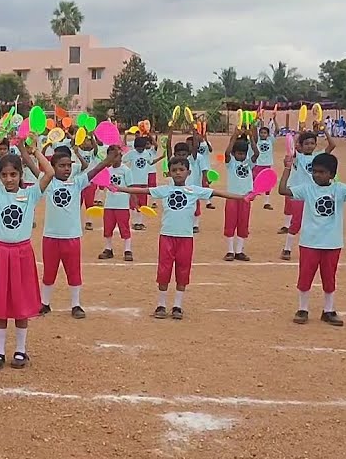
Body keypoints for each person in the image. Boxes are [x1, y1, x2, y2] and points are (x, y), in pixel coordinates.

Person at [112, 153, 251, 319]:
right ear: (169, 173)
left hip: (186, 238)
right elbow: (142, 190)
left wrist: (243, 197)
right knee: (164, 270)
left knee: (183, 270)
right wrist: (119, 188)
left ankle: (177, 306)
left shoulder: (195, 191)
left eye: (181, 169)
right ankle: (161, 305)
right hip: (167, 237)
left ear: (188, 172)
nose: (178, 172)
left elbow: (219, 193)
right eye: (174, 170)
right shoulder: (165, 190)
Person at [0, 137, 42, 369]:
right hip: (0, 253)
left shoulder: (31, 194)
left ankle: (21, 350)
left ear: (21, 175)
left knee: (21, 305)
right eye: (4, 175)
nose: (9, 179)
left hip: (22, 253)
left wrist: (32, 150)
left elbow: (50, 173)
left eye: (14, 174)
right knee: (0, 304)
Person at [279, 151, 346, 325]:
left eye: (322, 172)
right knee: (305, 276)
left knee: (329, 277)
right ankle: (302, 308)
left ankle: (328, 310)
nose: (317, 175)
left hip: (332, 243)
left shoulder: (339, 189)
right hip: (309, 242)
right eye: (314, 171)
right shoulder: (307, 188)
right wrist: (287, 168)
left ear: (332, 174)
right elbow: (282, 190)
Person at [39, 145, 105, 317]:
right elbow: (33, 166)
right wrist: (28, 150)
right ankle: (44, 303)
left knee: (73, 271)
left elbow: (94, 170)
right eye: (62, 166)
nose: (67, 169)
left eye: (69, 165)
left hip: (72, 237)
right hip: (51, 236)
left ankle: (76, 305)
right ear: (52, 167)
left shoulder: (77, 183)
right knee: (49, 271)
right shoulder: (48, 183)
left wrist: (107, 161)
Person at [280, 127, 336, 261]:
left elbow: (332, 145)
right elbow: (290, 146)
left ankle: (316, 246)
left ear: (316, 144)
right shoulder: (297, 157)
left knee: (316, 220)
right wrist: (298, 135)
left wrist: (324, 130)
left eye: (312, 143)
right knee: (296, 222)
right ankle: (287, 248)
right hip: (299, 194)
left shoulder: (318, 157)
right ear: (300, 145)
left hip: (314, 195)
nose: (309, 146)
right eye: (306, 143)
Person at [223, 131, 260, 261]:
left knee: (243, 224)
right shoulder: (231, 163)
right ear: (234, 154)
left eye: (243, 154)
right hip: (232, 197)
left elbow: (256, 153)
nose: (242, 156)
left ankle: (239, 251)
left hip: (245, 198)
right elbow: (226, 153)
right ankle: (230, 251)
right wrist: (234, 136)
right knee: (230, 223)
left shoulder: (248, 163)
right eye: (239, 153)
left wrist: (251, 138)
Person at [97, 144, 135, 261]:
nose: (114, 158)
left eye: (116, 156)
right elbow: (102, 185)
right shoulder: (107, 171)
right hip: (109, 204)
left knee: (124, 227)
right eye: (112, 156)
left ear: (121, 156)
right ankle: (108, 248)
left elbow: (131, 187)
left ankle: (127, 250)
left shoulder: (126, 170)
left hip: (122, 205)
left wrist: (133, 201)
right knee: (108, 227)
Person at [254, 126, 276, 209]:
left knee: (268, 183)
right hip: (258, 164)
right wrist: (254, 123)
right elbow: (254, 134)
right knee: (254, 180)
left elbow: (277, 130)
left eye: (265, 133)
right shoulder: (257, 141)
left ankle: (267, 202)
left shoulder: (270, 141)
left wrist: (274, 120)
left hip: (267, 164)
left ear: (268, 134)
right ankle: (252, 194)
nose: (263, 134)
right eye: (261, 133)